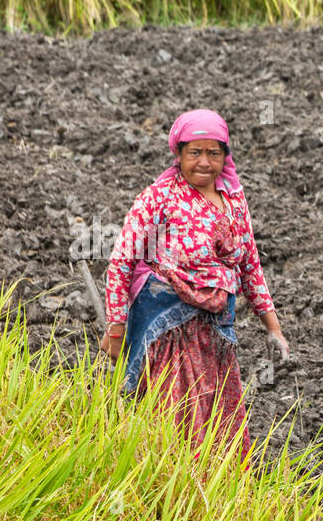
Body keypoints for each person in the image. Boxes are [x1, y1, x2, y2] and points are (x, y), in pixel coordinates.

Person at [101, 109, 289, 458]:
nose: (204, 162)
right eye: (195, 153)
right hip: (167, 330)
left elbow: (250, 265)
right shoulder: (159, 198)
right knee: (172, 419)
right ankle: (165, 493)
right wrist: (116, 328)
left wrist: (273, 328)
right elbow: (122, 261)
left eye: (214, 153)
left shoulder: (233, 200)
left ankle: (211, 497)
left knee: (214, 421)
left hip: (215, 333)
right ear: (178, 154)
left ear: (225, 156)